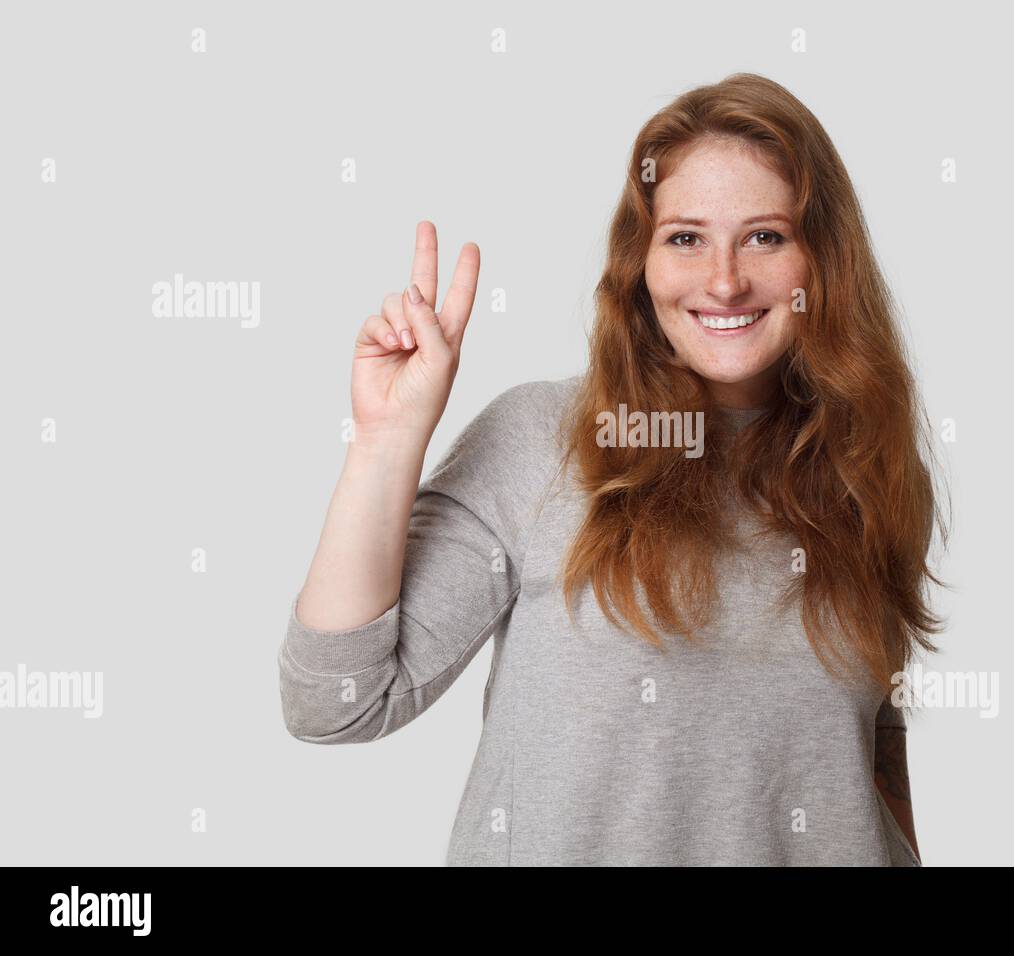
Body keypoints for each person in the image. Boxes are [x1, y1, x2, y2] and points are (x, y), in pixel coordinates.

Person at [278, 72, 950, 866]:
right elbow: (334, 704)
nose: (725, 278)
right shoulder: (542, 441)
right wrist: (386, 441)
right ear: (641, 264)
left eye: (765, 236)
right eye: (686, 237)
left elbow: (871, 742)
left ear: (822, 261)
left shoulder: (864, 462)